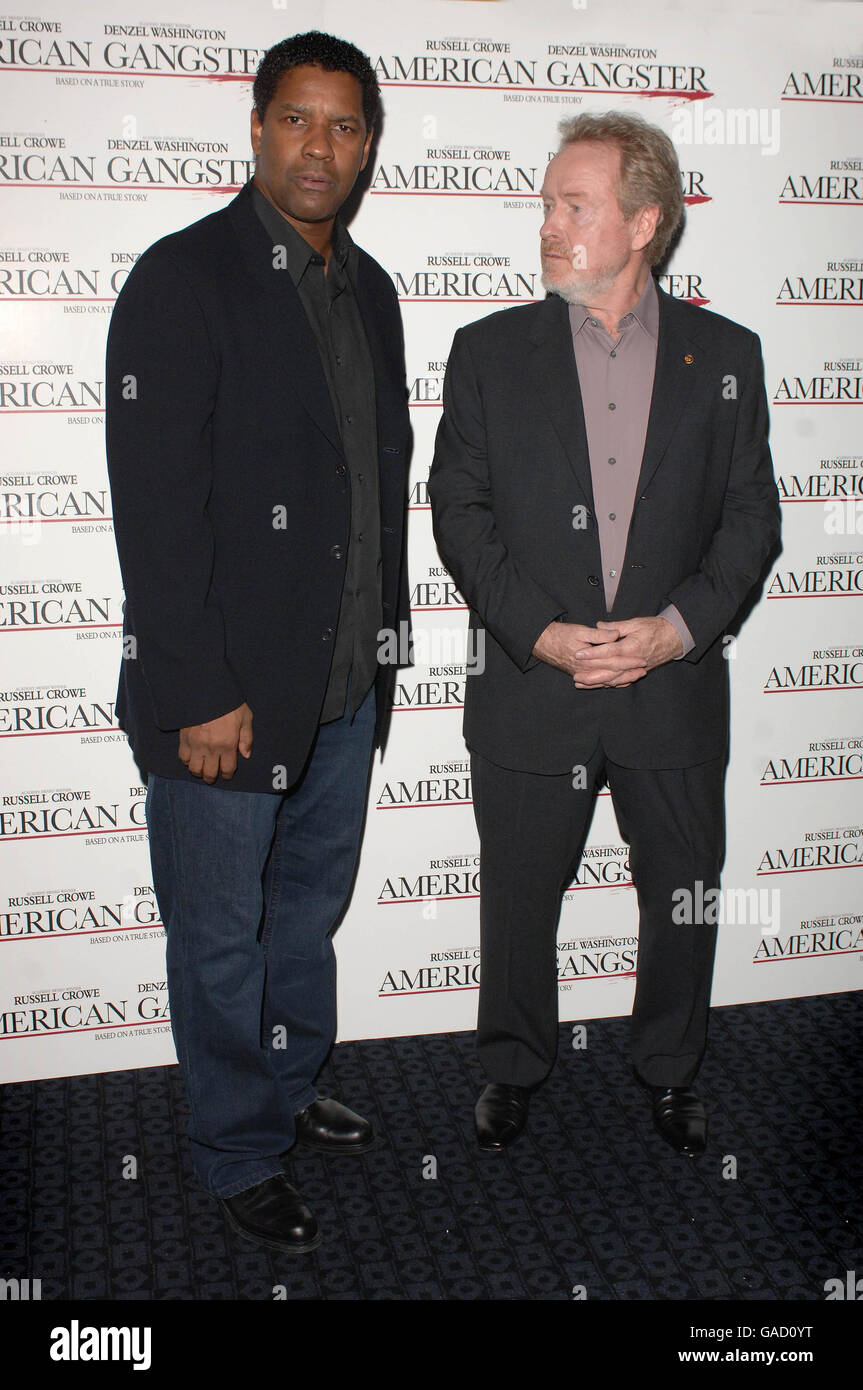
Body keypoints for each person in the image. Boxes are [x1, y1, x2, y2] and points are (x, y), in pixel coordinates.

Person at [105, 30, 410, 1253]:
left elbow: (367, 488)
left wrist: (379, 655)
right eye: (296, 119)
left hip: (337, 687)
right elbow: (157, 501)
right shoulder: (185, 277)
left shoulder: (372, 288)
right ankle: (236, 1148)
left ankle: (284, 1088)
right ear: (255, 127)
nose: (318, 146)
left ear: (368, 145)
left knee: (302, 916)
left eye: (342, 126)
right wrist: (197, 688)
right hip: (222, 696)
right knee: (220, 934)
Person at [428, 111, 780, 1159]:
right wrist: (535, 630)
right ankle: (511, 1064)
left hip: (668, 689)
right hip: (530, 685)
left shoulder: (726, 356)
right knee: (519, 894)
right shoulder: (487, 352)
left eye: (571, 206)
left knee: (681, 892)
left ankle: (670, 1068)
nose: (546, 226)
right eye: (544, 203)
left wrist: (675, 631)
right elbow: (457, 508)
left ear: (641, 222)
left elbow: (749, 518)